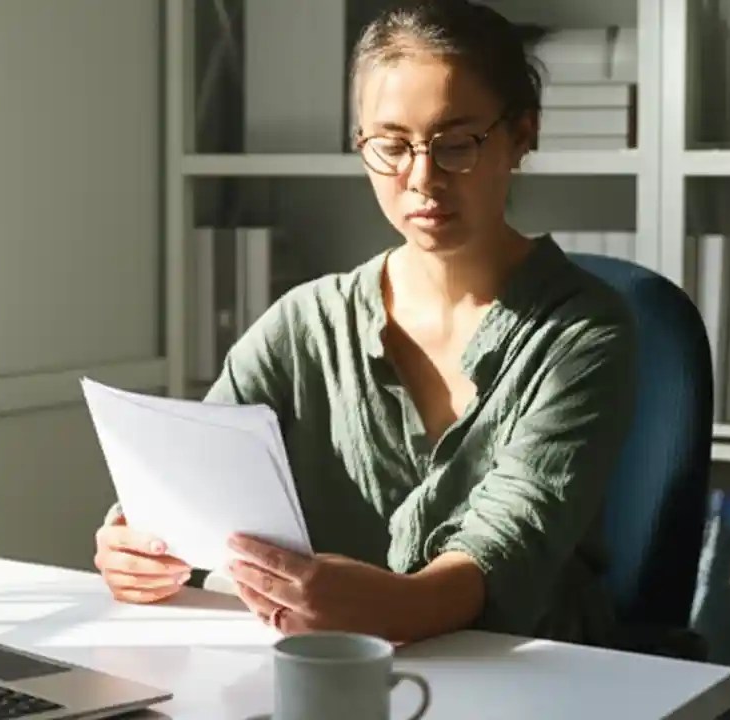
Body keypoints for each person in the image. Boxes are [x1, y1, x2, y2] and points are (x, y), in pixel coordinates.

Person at [93, 0, 637, 647]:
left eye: (456, 143)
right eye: (392, 146)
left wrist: (397, 605)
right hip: (329, 670)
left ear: (522, 134)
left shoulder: (582, 333)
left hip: (534, 673)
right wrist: (141, 547)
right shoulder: (303, 326)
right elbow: (190, 488)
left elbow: (510, 544)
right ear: (361, 146)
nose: (422, 178)